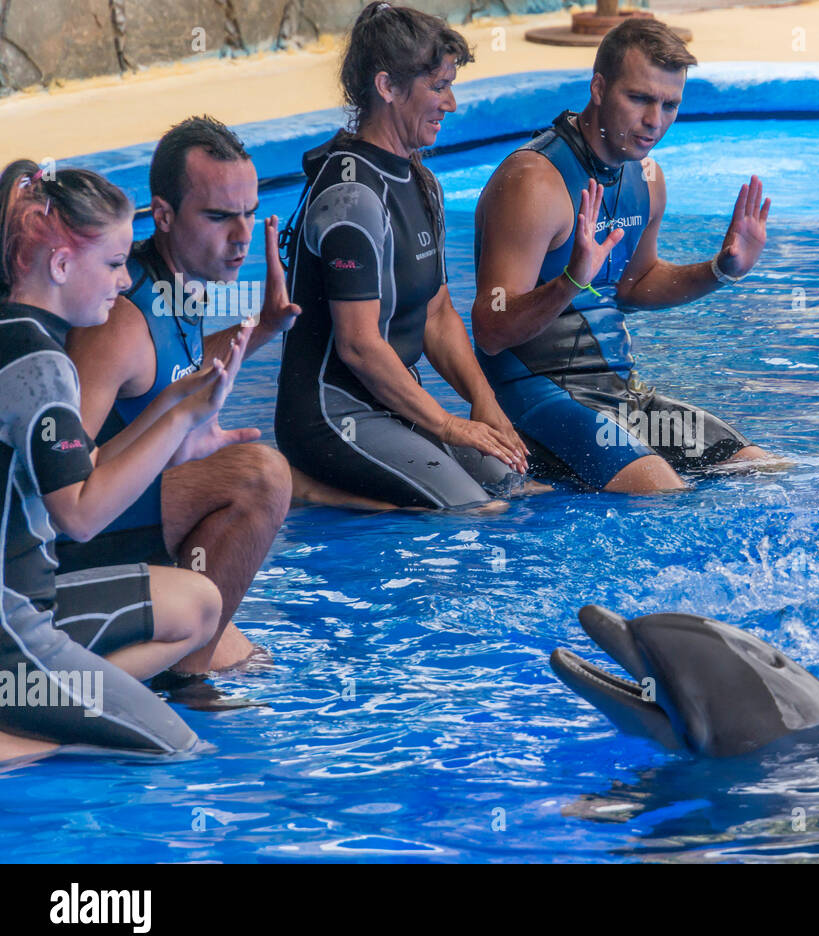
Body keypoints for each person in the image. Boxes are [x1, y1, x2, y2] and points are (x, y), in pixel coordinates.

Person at [0, 160, 245, 759]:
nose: (122, 280)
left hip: (33, 605)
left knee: (199, 605)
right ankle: (30, 729)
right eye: (112, 264)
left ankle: (54, 719)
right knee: (179, 750)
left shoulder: (20, 334)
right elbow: (78, 517)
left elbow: (83, 462)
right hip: (14, 635)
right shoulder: (41, 365)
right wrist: (180, 421)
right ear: (61, 265)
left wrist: (170, 413)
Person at [472, 19, 775, 494]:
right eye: (639, 98)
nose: (656, 120)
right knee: (664, 492)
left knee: (761, 471)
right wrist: (572, 280)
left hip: (621, 394)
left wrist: (722, 270)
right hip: (534, 395)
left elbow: (635, 284)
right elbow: (490, 331)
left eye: (670, 104)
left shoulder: (647, 177)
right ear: (598, 88)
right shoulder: (535, 182)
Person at [59, 117, 295, 674]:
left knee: (254, 664)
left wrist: (261, 326)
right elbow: (61, 482)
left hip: (130, 521)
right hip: (76, 550)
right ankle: (185, 672)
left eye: (248, 213)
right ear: (163, 215)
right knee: (261, 475)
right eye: (218, 216)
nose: (240, 236)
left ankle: (189, 654)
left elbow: (173, 372)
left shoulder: (177, 282)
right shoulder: (118, 322)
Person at [276, 2, 534, 511]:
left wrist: (483, 403)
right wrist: (448, 424)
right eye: (438, 87)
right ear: (388, 87)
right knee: (478, 510)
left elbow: (437, 313)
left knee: (516, 483)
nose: (452, 103)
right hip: (332, 413)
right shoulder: (350, 197)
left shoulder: (421, 181)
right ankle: (305, 486)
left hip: (393, 406)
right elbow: (358, 346)